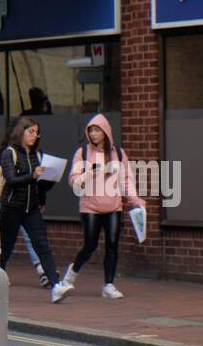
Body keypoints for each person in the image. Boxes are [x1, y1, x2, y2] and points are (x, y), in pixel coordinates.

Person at [59, 114, 146, 299]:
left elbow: (126, 181)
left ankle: (109, 285)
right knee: (90, 245)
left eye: (97, 130)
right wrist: (92, 173)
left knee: (112, 246)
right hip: (90, 207)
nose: (93, 134)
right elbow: (73, 181)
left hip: (114, 207)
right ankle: (70, 276)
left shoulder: (118, 154)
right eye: (91, 130)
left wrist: (135, 200)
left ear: (106, 132)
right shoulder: (82, 153)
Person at [0, 116, 69, 303]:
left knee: (43, 246)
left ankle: (56, 286)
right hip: (11, 208)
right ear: (21, 132)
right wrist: (32, 175)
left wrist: (50, 181)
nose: (34, 136)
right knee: (6, 248)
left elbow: (38, 185)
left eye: (36, 133)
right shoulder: (10, 153)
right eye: (31, 132)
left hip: (32, 209)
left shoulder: (37, 155)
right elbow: (12, 180)